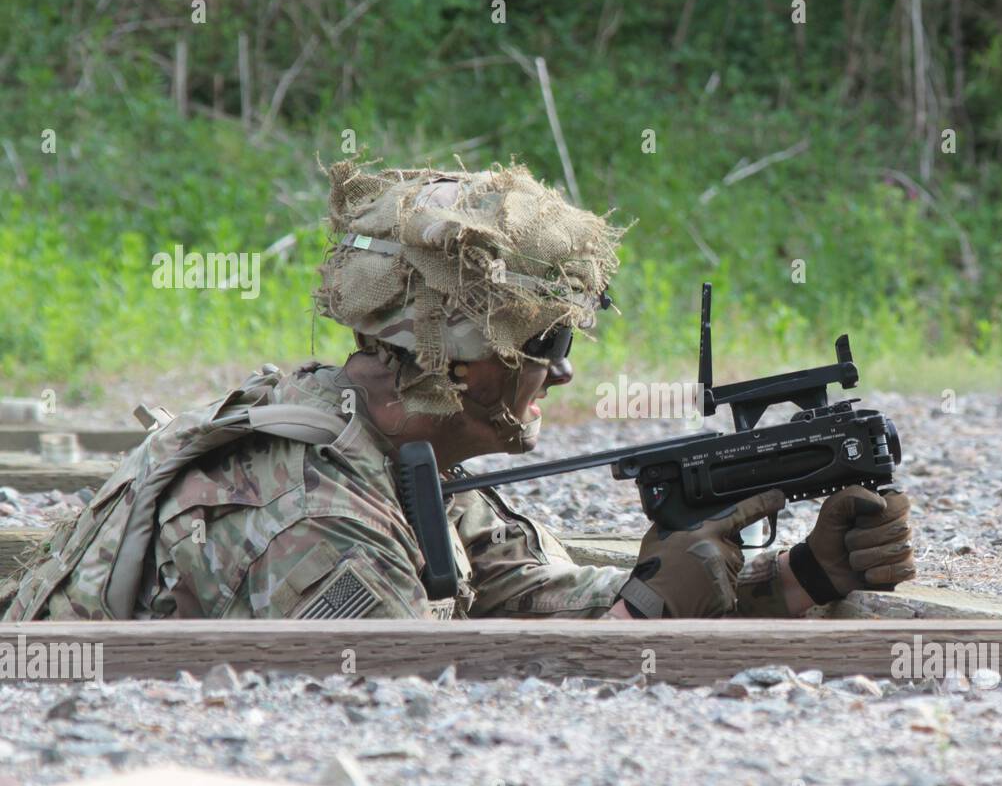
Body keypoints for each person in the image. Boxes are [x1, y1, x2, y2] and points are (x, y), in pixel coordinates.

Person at [1, 160, 914, 623]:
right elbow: (425, 704)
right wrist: (645, 616)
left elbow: (533, 599)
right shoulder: (316, 519)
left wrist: (796, 579)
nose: (562, 370)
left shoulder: (407, 460)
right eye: (544, 341)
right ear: (455, 355)